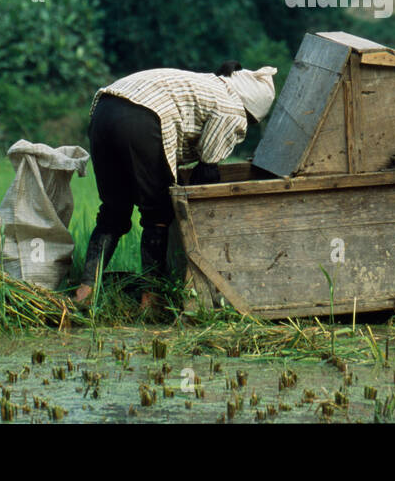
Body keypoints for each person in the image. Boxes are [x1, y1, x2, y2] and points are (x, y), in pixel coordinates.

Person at [75, 61, 278, 308]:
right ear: (251, 111)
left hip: (105, 111)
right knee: (158, 212)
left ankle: (85, 291)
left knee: (114, 211)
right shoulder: (232, 108)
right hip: (142, 118)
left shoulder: (209, 84)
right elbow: (207, 170)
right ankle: (150, 299)